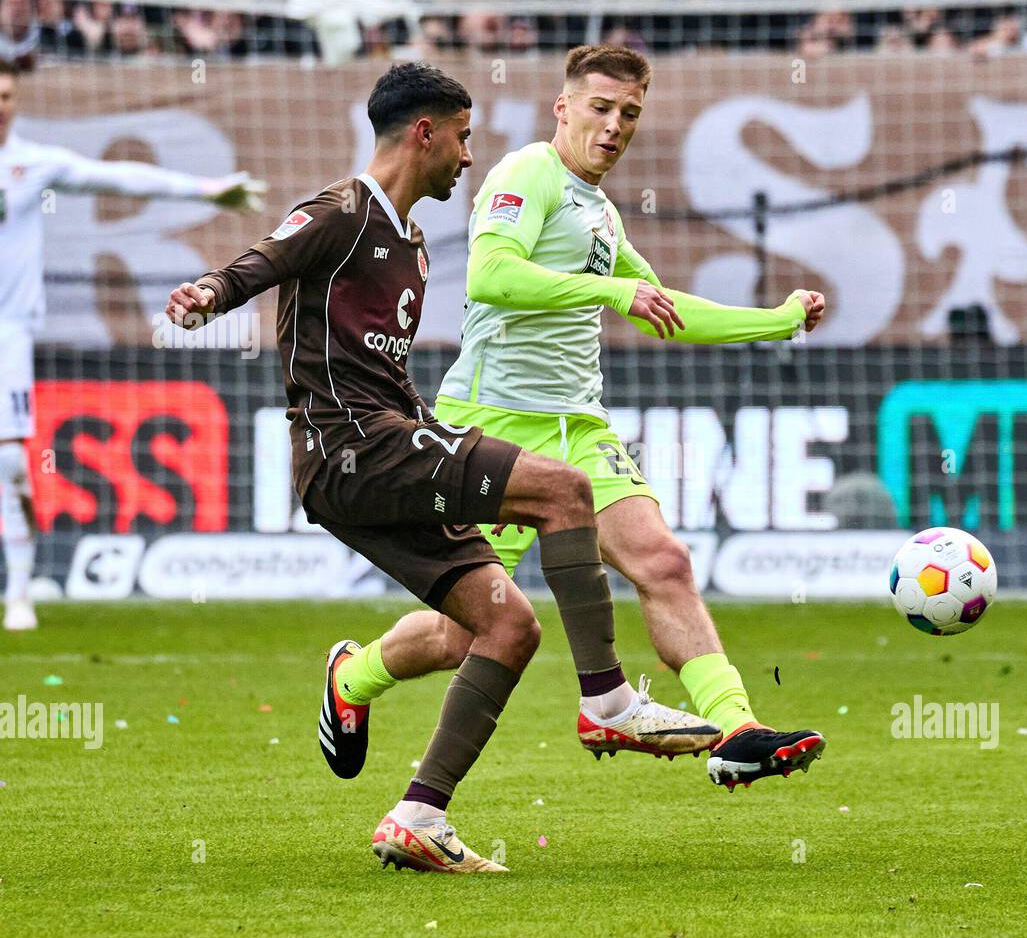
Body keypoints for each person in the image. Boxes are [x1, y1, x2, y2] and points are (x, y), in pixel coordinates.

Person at [165, 62, 719, 874]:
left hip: (390, 446)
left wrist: (439, 436)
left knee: (506, 626)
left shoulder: (413, 250)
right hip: (349, 449)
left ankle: (419, 814)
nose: (468, 159)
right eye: (461, 138)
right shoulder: (343, 211)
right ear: (423, 131)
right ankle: (607, 699)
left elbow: (388, 377)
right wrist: (211, 291)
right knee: (566, 487)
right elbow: (265, 259)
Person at [432, 44, 829, 791]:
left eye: (631, 115)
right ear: (564, 108)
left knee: (665, 562)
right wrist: (610, 294)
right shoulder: (526, 172)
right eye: (602, 109)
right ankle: (353, 677)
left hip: (578, 431)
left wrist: (775, 321)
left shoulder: (602, 212)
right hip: (492, 424)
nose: (616, 126)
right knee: (463, 632)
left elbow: (667, 310)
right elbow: (490, 274)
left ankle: (737, 729)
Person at [0, 59, 265, 631]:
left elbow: (118, 177)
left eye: (6, 94)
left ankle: (18, 591)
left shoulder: (31, 163)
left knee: (9, 464)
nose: (1, 103)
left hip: (8, 331)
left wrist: (208, 191)